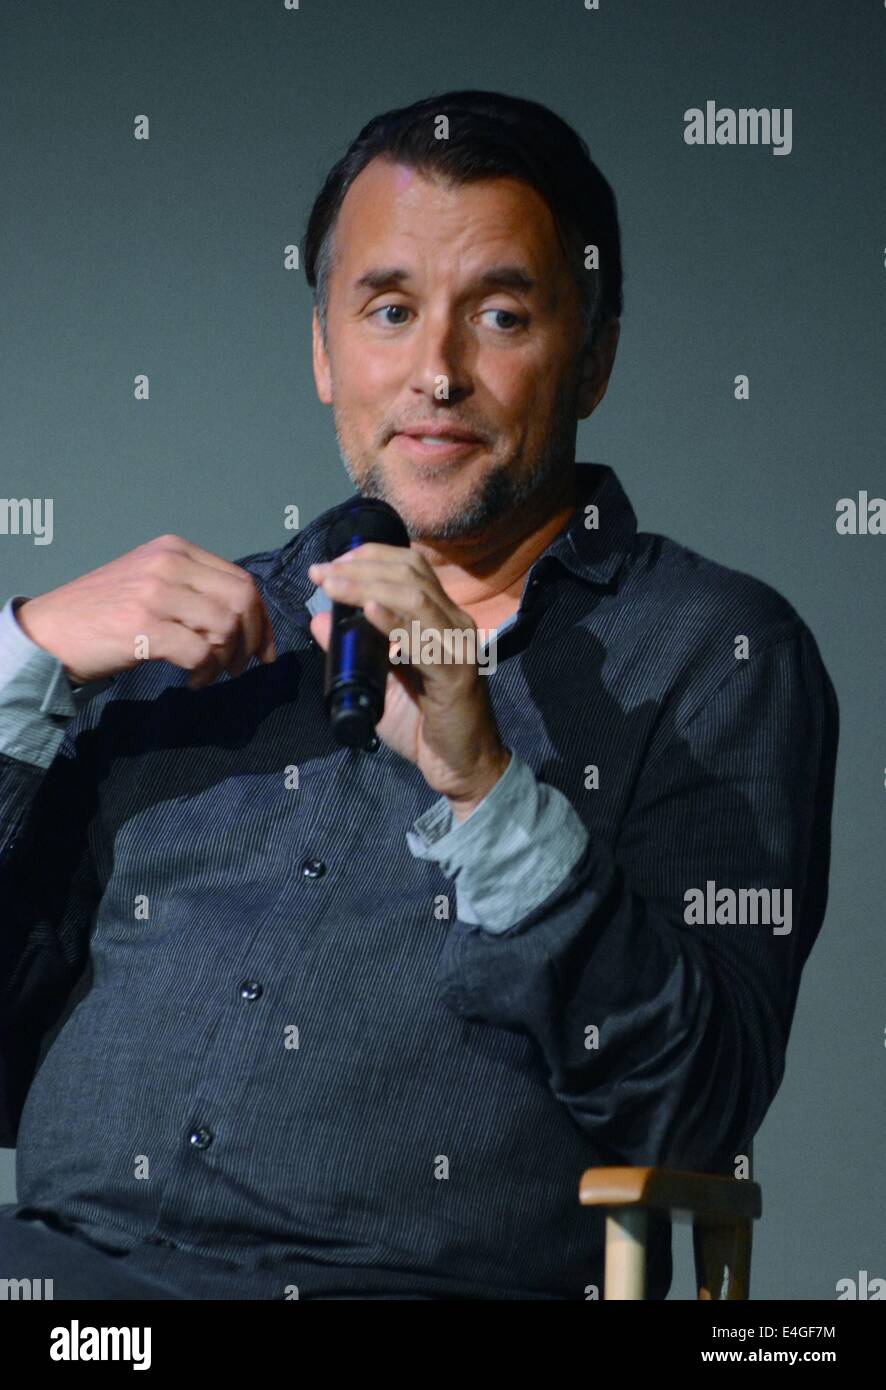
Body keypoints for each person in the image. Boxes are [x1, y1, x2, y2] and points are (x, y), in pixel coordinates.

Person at [0, 89, 838, 1300]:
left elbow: (692, 1107)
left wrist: (486, 788)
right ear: (324, 350)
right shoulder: (181, 632)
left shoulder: (717, 652)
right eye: (389, 311)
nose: (435, 373)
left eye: (499, 315)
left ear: (592, 356)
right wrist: (23, 663)